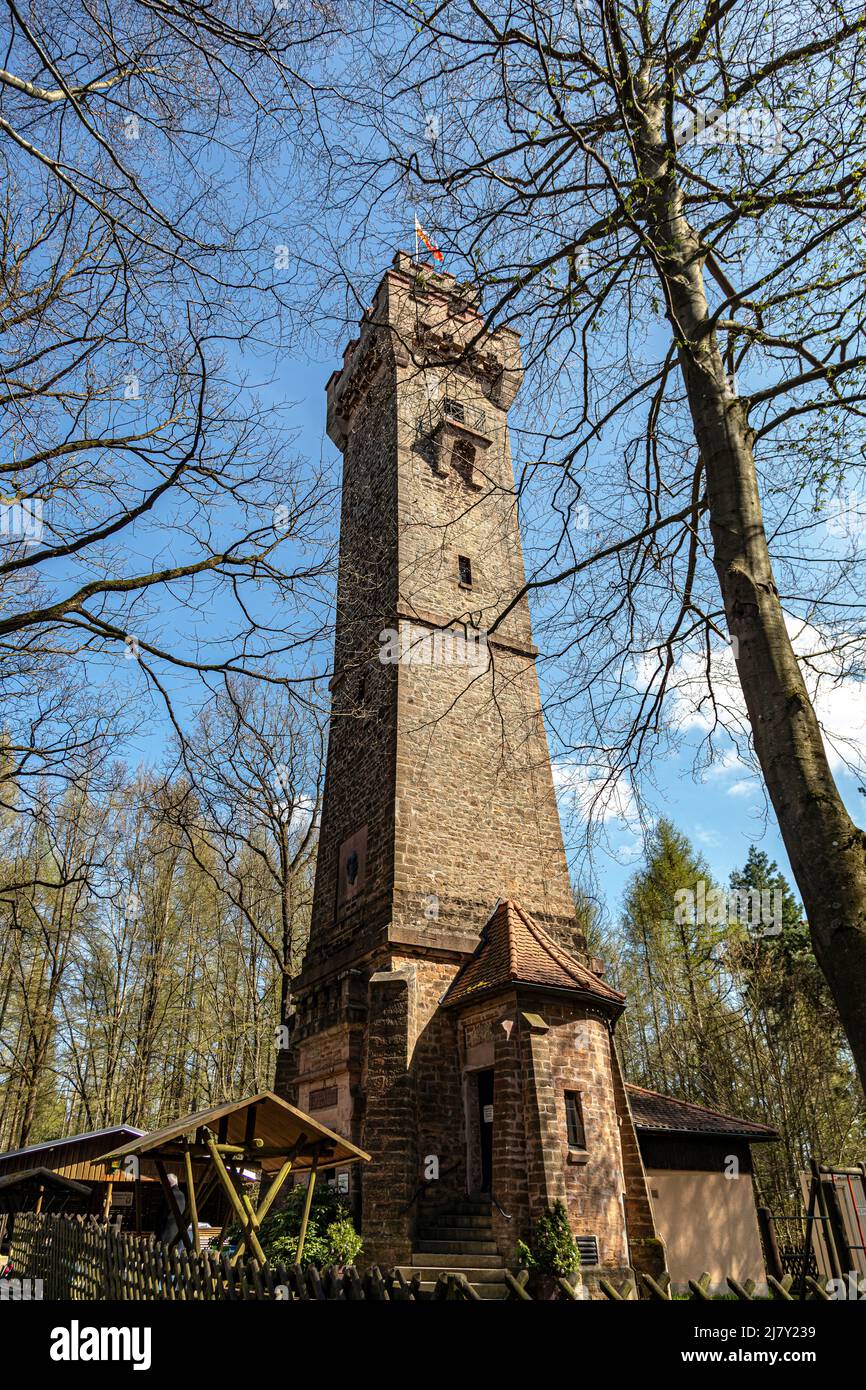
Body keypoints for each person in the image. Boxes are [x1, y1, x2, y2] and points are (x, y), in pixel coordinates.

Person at [159, 1172, 187, 1247]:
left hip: (167, 1232)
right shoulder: (182, 1195)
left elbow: (163, 1214)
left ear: (168, 1183)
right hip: (178, 1232)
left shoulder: (169, 1195)